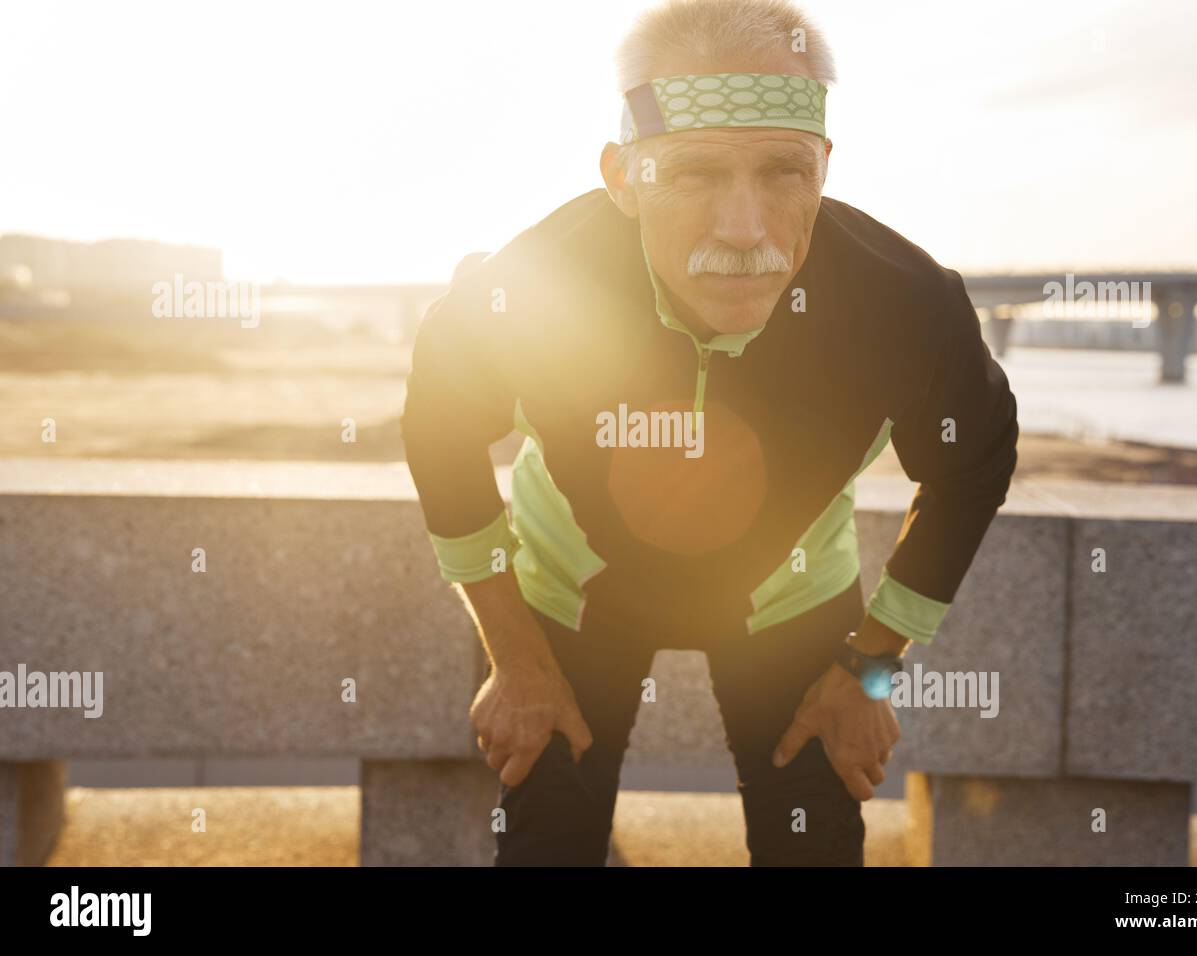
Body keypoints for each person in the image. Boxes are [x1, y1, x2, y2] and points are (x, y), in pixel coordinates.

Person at [401, 0, 1018, 866]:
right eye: (692, 174)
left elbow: (971, 470)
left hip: (790, 593)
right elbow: (440, 428)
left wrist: (870, 669)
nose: (745, 229)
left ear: (825, 169)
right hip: (574, 583)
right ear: (624, 177)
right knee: (546, 844)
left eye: (783, 172)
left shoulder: (910, 302)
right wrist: (514, 652)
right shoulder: (533, 282)